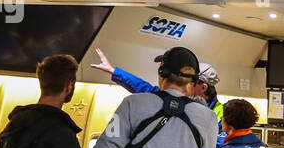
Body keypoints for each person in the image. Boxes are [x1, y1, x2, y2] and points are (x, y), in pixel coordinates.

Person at [91, 47, 223, 125]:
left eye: (187, 79)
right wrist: (114, 71)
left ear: (203, 87)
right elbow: (142, 87)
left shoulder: (220, 115)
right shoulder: (168, 99)